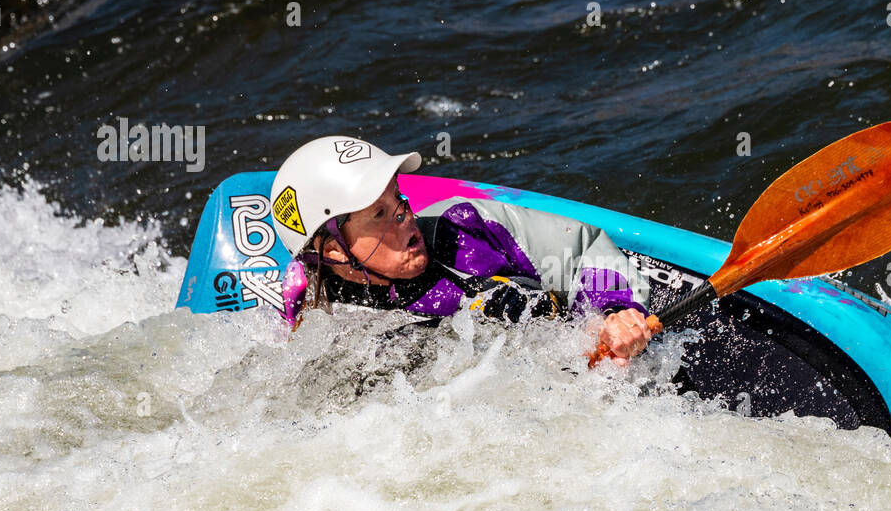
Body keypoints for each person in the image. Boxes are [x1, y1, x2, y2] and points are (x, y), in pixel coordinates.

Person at [268, 135, 656, 365]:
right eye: (381, 214)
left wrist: (608, 313)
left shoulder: (463, 226)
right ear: (335, 251)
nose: (405, 218)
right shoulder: (327, 335)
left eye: (398, 199)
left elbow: (583, 249)